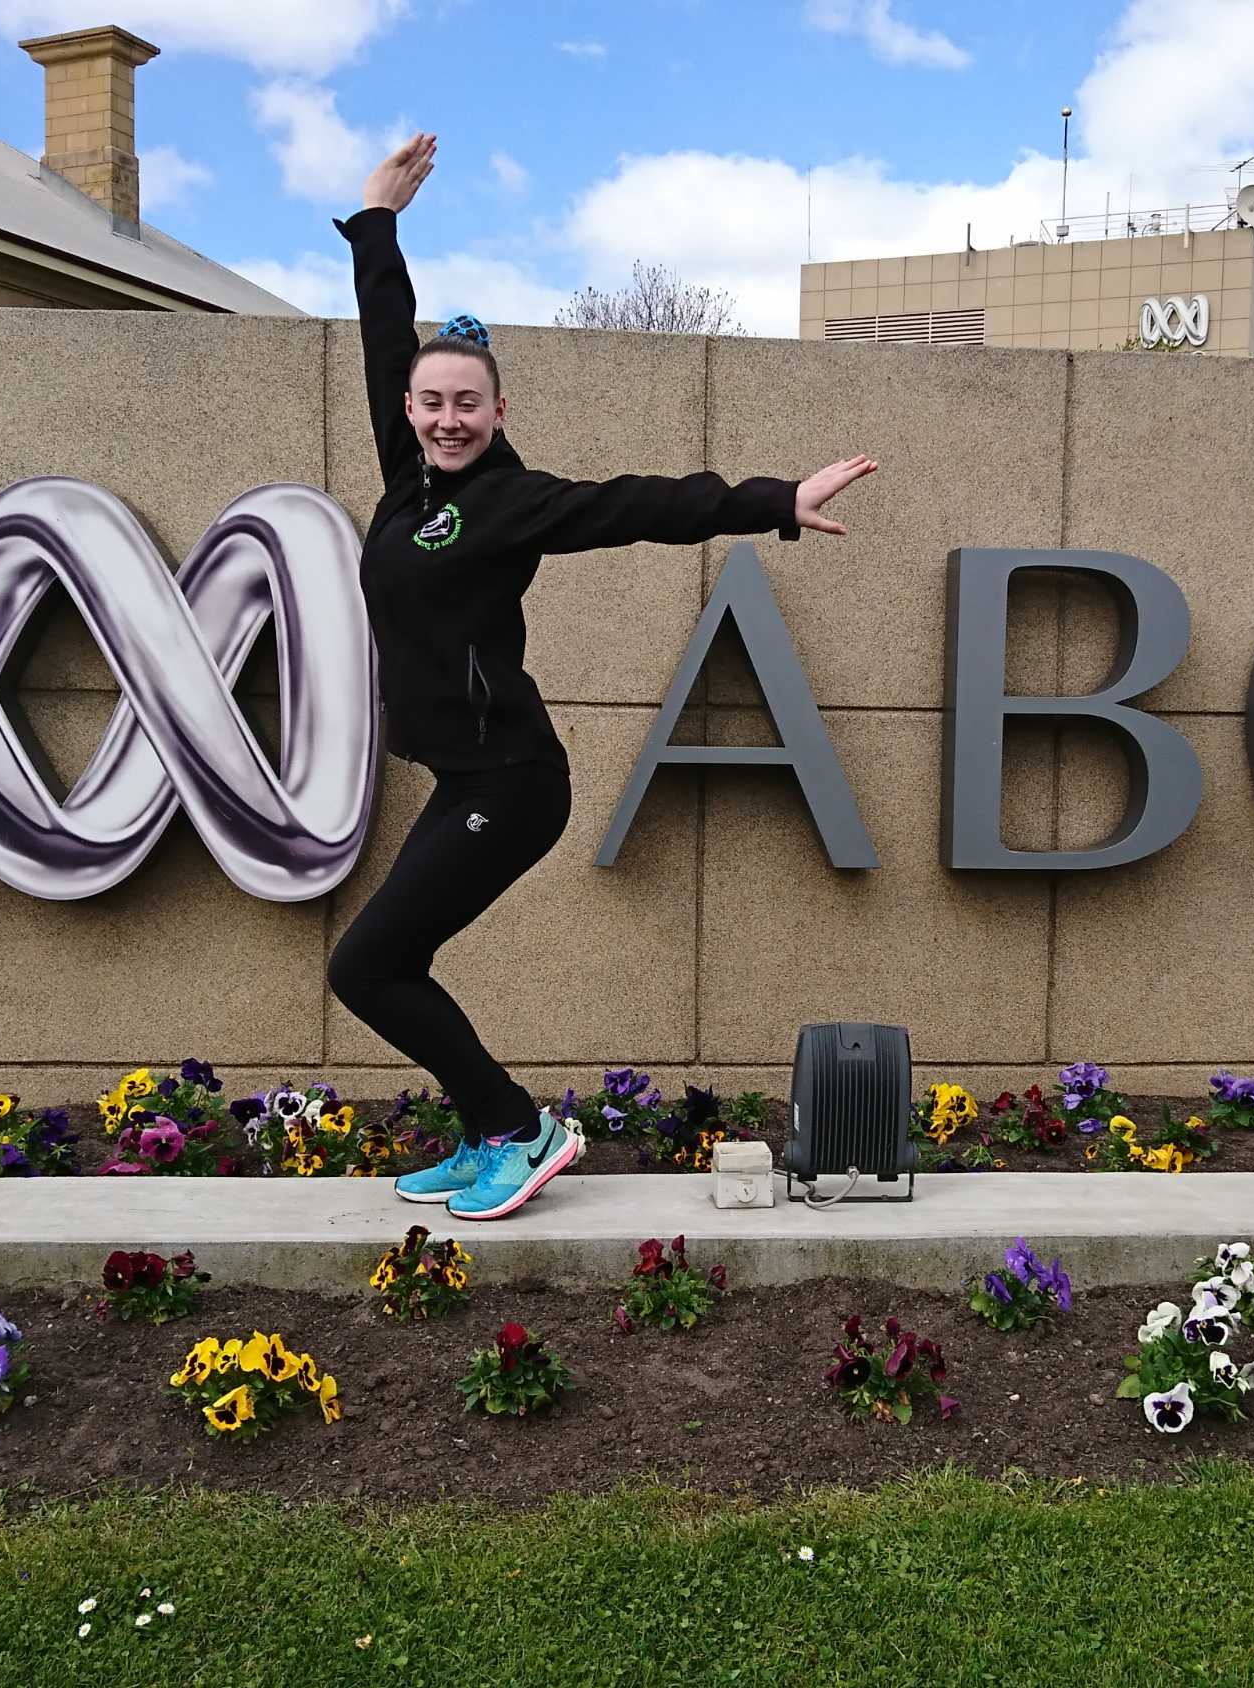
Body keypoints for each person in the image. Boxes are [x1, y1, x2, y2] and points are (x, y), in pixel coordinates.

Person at [324, 132, 877, 1221]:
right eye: (431, 401)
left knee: (367, 966)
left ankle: (517, 1129)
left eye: (466, 404)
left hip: (514, 784)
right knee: (393, 962)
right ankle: (490, 1125)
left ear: (498, 414)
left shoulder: (509, 501)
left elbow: (638, 504)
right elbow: (385, 344)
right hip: (466, 777)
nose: (444, 417)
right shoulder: (409, 482)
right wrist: (379, 222)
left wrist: (771, 501)